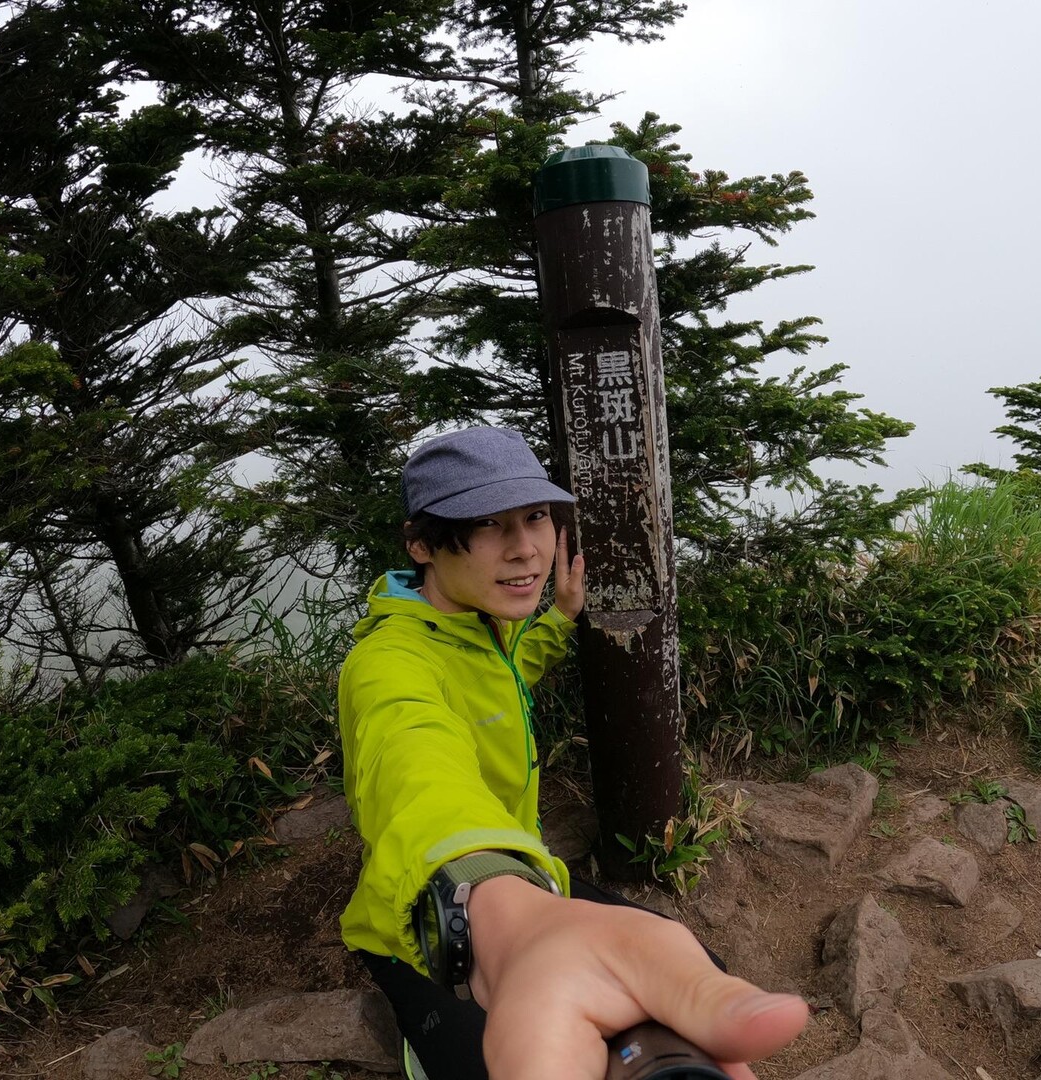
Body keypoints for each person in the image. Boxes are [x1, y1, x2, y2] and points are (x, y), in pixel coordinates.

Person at [337, 426, 807, 1080]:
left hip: (527, 874)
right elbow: (417, 769)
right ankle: (425, 1047)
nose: (526, 548)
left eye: (536, 516)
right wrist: (511, 922)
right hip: (422, 921)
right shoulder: (388, 664)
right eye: (486, 524)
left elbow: (504, 677)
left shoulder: (476, 621)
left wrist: (558, 618)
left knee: (700, 975)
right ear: (420, 544)